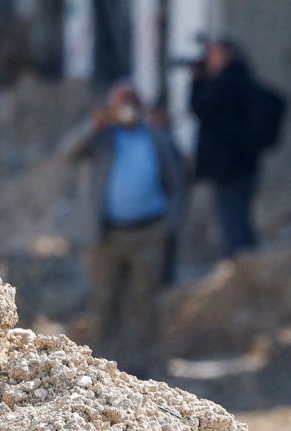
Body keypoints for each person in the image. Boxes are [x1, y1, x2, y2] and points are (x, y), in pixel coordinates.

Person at [59, 81, 188, 375]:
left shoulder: (155, 137)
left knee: (146, 304)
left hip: (149, 233)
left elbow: (179, 180)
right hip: (106, 236)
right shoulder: (101, 138)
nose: (126, 109)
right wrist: (95, 124)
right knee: (105, 304)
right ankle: (105, 370)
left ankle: (149, 369)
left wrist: (171, 224)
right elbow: (67, 152)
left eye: (131, 102)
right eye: (119, 103)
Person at [189, 38, 267, 257]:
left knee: (233, 222)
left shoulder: (227, 82)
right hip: (242, 162)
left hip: (229, 166)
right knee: (239, 218)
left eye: (213, 54)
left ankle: (242, 269)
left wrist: (197, 81)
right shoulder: (242, 79)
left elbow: (200, 108)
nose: (209, 60)